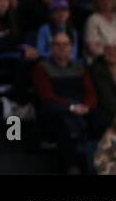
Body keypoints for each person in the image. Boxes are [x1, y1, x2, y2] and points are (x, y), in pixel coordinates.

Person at [32, 32, 98, 173]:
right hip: (56, 109)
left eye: (65, 44)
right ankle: (72, 167)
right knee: (64, 121)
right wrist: (71, 107)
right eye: (57, 44)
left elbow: (91, 92)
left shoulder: (80, 67)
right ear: (51, 48)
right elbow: (47, 95)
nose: (62, 48)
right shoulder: (42, 68)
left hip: (80, 107)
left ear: (72, 47)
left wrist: (86, 106)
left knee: (100, 119)